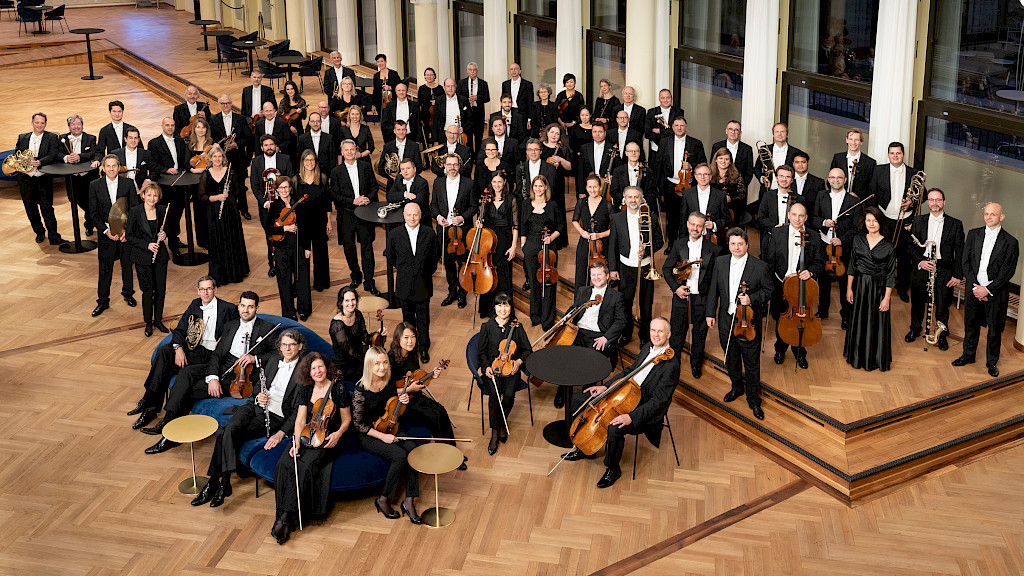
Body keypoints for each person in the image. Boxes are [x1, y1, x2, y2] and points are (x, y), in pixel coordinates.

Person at [142, 291, 277, 450]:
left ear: (257, 308)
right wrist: (212, 378)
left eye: (250, 307)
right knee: (186, 373)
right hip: (223, 365)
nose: (246, 310)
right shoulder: (231, 325)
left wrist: (255, 358)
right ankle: (167, 423)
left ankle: (170, 433)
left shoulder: (268, 328)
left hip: (240, 377)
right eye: (242, 305)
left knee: (187, 389)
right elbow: (217, 355)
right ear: (238, 306)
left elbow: (278, 355)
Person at [190, 329, 307, 508]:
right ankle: (222, 484)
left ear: (299, 347)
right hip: (254, 406)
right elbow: (259, 384)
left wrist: (281, 433)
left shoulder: (304, 373)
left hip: (274, 417)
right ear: (280, 347)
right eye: (284, 345)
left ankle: (217, 482)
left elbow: (298, 412)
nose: (287, 349)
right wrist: (259, 394)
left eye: (292, 345)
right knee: (229, 428)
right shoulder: (274, 360)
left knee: (224, 431)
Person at [560, 318, 680, 488]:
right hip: (624, 396)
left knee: (614, 427)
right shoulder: (647, 347)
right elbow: (629, 371)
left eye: (660, 331)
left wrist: (631, 417)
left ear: (668, 334)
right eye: (653, 330)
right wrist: (606, 388)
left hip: (642, 408)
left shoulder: (672, 365)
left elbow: (658, 402)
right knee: (577, 399)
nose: (656, 335)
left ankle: (612, 469)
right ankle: (585, 448)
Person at [128, 276, 238, 430]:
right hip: (194, 349)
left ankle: (156, 409)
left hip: (211, 355)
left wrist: (225, 339)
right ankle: (150, 406)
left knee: (171, 368)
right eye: (202, 289)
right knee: (164, 352)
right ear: (198, 291)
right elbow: (180, 328)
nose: (205, 293)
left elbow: (238, 330)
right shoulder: (195, 304)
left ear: (215, 290)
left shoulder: (228, 308)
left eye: (209, 289)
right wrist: (178, 348)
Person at [271, 352, 352, 544]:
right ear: (309, 371)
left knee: (306, 468)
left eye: (321, 367)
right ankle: (282, 513)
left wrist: (338, 434)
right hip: (307, 433)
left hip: (327, 437)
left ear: (327, 368)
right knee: (284, 465)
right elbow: (300, 419)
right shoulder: (306, 389)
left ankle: (286, 518)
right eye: (313, 368)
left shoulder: (338, 389)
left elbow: (347, 419)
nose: (317, 371)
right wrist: (296, 441)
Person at [705, 228, 773, 420]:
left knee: (751, 363)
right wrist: (710, 313)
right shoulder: (720, 262)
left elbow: (769, 291)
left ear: (747, 245)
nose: (736, 247)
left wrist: (751, 298)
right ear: (728, 245)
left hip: (748, 321)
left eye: (740, 244)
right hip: (726, 319)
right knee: (731, 358)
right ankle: (736, 387)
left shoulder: (760, 266)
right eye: (733, 244)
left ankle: (753, 399)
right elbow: (713, 289)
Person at [352, 347, 422, 523]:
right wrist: (383, 437)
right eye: (377, 363)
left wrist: (402, 400)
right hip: (369, 433)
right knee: (400, 455)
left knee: (413, 450)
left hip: (389, 425)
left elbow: (391, 408)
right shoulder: (361, 389)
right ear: (369, 365)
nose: (382, 367)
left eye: (384, 362)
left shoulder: (388, 382)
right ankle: (383, 499)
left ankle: (409, 501)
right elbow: (358, 424)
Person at [953, 203, 1019, 377]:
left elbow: (1007, 272)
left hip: (995, 293)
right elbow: (965, 262)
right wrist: (975, 287)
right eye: (987, 214)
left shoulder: (1011, 242)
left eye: (993, 214)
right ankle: (968, 355)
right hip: (973, 289)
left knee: (994, 330)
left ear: (1001, 217)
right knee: (970, 325)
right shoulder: (973, 234)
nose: (989, 217)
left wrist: (987, 290)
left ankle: (991, 363)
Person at [387, 322, 461, 466]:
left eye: (413, 337)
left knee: (441, 410)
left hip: (414, 395)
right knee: (433, 416)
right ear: (398, 339)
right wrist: (410, 389)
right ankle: (442, 453)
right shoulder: (389, 360)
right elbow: (387, 391)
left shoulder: (412, 354)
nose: (410, 341)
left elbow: (416, 379)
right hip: (400, 402)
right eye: (406, 337)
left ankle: (452, 451)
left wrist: (431, 376)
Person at [663, 211, 723, 378]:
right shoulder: (678, 244)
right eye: (692, 224)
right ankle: (672, 367)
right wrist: (676, 288)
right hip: (681, 297)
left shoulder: (714, 250)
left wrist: (711, 312)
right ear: (687, 225)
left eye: (699, 225)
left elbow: (714, 286)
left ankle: (696, 365)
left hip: (701, 299)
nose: (695, 228)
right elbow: (666, 269)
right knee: (676, 335)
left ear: (704, 228)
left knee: (699, 336)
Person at [766, 202, 824, 369]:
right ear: (788, 215)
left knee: (801, 320)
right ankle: (780, 349)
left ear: (805, 217)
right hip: (780, 283)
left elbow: (820, 262)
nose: (797, 219)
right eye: (794, 215)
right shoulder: (777, 233)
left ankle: (800, 352)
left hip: (802, 287)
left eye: (801, 216)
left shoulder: (813, 236)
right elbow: (770, 260)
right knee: (781, 318)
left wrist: (811, 272)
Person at [905, 188, 964, 350]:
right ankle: (915, 329)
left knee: (942, 303)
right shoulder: (918, 221)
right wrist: (920, 262)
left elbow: (960, 251)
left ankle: (941, 334)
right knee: (917, 301)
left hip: (944, 269)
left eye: (938, 200)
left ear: (944, 202)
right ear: (928, 202)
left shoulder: (955, 224)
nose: (934, 203)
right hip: (922, 267)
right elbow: (910, 246)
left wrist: (958, 275)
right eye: (931, 200)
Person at [477, 293, 532, 455]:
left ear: (511, 308)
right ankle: (495, 432)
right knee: (494, 395)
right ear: (494, 307)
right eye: (499, 305)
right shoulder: (487, 327)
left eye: (506, 305)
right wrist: (486, 366)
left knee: (508, 395)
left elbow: (528, 350)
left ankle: (501, 422)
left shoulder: (517, 327)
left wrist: (518, 362)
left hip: (511, 369)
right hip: (492, 370)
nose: (503, 309)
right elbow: (481, 352)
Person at [608, 186, 663, 346]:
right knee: (625, 302)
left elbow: (659, 241)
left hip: (645, 266)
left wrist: (646, 251)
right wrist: (612, 269)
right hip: (626, 266)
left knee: (646, 304)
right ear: (624, 199)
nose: (633, 200)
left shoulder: (650, 217)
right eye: (630, 197)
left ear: (641, 199)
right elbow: (612, 245)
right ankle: (626, 333)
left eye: (636, 197)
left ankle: (645, 335)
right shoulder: (617, 218)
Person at [385, 203, 438, 364]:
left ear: (420, 215)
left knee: (423, 320)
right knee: (407, 320)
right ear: (404, 216)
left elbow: (434, 257)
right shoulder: (395, 234)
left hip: (423, 283)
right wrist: (404, 269)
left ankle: (423, 348)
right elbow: (391, 256)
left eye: (415, 215)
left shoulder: (429, 233)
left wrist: (425, 271)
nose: (412, 218)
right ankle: (410, 348)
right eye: (409, 215)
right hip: (404, 285)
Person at [845, 207, 896, 372]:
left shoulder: (889, 246)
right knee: (859, 320)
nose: (871, 224)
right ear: (864, 222)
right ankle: (857, 356)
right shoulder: (857, 240)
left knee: (876, 322)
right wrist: (849, 289)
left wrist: (887, 298)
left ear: (880, 222)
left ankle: (872, 359)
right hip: (860, 286)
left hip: (878, 289)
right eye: (868, 220)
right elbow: (852, 266)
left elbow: (890, 274)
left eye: (875, 220)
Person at [870, 141, 922, 301]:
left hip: (905, 220)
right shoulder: (879, 170)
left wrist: (910, 202)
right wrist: (876, 217)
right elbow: (872, 193)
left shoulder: (914, 173)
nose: (895, 156)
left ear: (903, 155)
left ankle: (902, 289)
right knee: (881, 254)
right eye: (892, 153)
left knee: (905, 258)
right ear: (888, 155)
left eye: (898, 153)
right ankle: (879, 285)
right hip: (884, 219)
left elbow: (923, 194)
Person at [811, 168, 861, 329]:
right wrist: (823, 223)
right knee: (823, 279)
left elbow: (857, 228)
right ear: (828, 179)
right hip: (824, 244)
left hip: (843, 248)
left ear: (845, 180)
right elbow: (813, 218)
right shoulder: (821, 195)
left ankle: (845, 314)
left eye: (839, 177)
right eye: (832, 177)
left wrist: (842, 239)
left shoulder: (853, 201)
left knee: (845, 281)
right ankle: (823, 310)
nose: (836, 180)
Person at [89, 154, 139, 317]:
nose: (111, 169)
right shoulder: (94, 185)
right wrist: (106, 231)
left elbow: (134, 209)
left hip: (125, 233)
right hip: (106, 234)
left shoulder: (128, 183)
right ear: (103, 168)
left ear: (119, 167)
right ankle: (103, 301)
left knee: (127, 265)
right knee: (105, 268)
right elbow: (93, 213)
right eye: (108, 166)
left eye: (114, 166)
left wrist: (127, 231)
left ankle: (128, 293)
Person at [330, 139, 379, 294]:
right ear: (342, 152)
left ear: (356, 150)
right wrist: (353, 201)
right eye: (346, 150)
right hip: (347, 214)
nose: (350, 152)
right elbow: (335, 195)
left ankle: (369, 281)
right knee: (349, 248)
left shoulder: (365, 166)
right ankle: (356, 275)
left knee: (367, 248)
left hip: (365, 213)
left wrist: (368, 199)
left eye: (352, 149)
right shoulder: (336, 172)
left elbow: (374, 186)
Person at [195, 145, 249, 285]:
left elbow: (238, 191)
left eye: (220, 156)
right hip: (213, 210)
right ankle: (220, 273)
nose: (217, 159)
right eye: (215, 156)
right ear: (210, 158)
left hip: (229, 209)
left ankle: (234, 272)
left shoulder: (231, 172)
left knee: (231, 238)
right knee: (216, 240)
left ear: (223, 158)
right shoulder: (206, 174)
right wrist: (217, 197)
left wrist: (229, 197)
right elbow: (201, 197)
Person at [430, 152, 478, 309]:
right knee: (449, 262)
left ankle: (462, 293)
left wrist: (462, 218)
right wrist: (438, 217)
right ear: (444, 166)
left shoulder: (469, 183)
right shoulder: (438, 183)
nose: (452, 167)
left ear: (459, 166)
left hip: (462, 229)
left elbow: (473, 207)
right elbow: (433, 205)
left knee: (463, 262)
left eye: (455, 164)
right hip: (444, 229)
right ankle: (452, 292)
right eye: (449, 164)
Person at [520, 175, 566, 330]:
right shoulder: (526, 204)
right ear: (532, 188)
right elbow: (522, 225)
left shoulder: (552, 205)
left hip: (548, 246)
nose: (538, 189)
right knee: (533, 281)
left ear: (546, 187)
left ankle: (547, 319)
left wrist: (551, 237)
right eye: (535, 186)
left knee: (548, 282)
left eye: (541, 186)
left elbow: (561, 226)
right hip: (531, 245)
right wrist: (523, 244)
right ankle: (535, 315)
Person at [126, 182, 171, 337]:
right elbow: (130, 236)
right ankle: (148, 322)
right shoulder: (135, 211)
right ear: (143, 195)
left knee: (160, 290)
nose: (152, 198)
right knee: (147, 291)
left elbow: (170, 228)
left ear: (159, 197)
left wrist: (165, 234)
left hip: (160, 257)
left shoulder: (162, 210)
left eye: (155, 195)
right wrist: (147, 245)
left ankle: (158, 320)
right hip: (142, 257)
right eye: (149, 195)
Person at [265, 176, 313, 320]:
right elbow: (269, 229)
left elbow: (305, 228)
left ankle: (304, 309)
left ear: (291, 188)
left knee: (302, 279)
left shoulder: (299, 203)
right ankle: (289, 312)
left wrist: (307, 247)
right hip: (281, 247)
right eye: (281, 188)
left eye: (286, 187)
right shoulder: (274, 206)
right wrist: (285, 228)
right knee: (284, 281)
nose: (284, 190)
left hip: (298, 245)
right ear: (277, 190)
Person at [658, 115, 707, 250]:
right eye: (676, 125)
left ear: (686, 127)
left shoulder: (696, 143)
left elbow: (703, 162)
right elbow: (659, 165)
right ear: (672, 127)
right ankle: (672, 245)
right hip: (670, 184)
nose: (679, 128)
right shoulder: (664, 142)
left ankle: (687, 245)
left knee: (688, 216)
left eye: (682, 125)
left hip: (689, 186)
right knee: (671, 217)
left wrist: (691, 166)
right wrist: (659, 188)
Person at [15, 112, 63, 245]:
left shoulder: (52, 137)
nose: (39, 125)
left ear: (45, 124)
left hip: (43, 179)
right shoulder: (23, 137)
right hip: (26, 179)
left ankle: (54, 236)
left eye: (42, 123)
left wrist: (40, 162)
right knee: (30, 209)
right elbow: (17, 154)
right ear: (32, 123)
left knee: (47, 209)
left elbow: (53, 154)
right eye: (37, 122)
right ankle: (39, 233)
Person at [249, 135, 295, 275]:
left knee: (287, 233)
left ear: (276, 146)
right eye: (266, 145)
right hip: (267, 206)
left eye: (271, 145)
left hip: (284, 204)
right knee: (270, 235)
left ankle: (289, 263)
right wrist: (265, 203)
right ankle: (273, 264)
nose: (269, 147)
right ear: (262, 147)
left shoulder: (285, 159)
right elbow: (254, 185)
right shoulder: (256, 162)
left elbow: (291, 179)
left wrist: (286, 200)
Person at [476, 170, 519, 314]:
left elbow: (515, 225)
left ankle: (504, 310)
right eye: (494, 182)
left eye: (499, 182)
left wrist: (513, 246)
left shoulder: (511, 199)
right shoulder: (485, 200)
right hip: (488, 242)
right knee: (487, 274)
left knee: (504, 275)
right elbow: (480, 221)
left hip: (505, 240)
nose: (497, 185)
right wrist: (478, 223)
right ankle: (487, 309)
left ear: (504, 182)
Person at [147, 117, 189, 252]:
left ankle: (174, 239)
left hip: (180, 183)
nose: (170, 127)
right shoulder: (154, 143)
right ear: (162, 126)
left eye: (172, 125)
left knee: (178, 213)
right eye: (167, 125)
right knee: (167, 215)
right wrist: (166, 169)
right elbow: (153, 164)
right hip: (165, 185)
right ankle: (169, 244)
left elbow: (184, 161)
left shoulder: (180, 141)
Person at [572, 262, 627, 361]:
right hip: (577, 331)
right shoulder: (583, 291)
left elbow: (621, 321)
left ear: (607, 276)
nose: (596, 278)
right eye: (593, 275)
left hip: (598, 336)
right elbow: (574, 308)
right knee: (566, 355)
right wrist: (568, 316)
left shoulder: (616, 296)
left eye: (599, 274)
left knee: (588, 361)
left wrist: (606, 337)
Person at [295, 148, 332, 291]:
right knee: (304, 253)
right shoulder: (296, 180)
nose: (310, 163)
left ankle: (321, 282)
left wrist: (329, 221)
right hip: (302, 222)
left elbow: (327, 201)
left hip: (320, 220)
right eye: (307, 160)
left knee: (320, 252)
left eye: (312, 160)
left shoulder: (322, 178)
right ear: (302, 162)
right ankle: (302, 284)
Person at [60, 114, 101, 236]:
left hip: (88, 178)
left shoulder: (91, 138)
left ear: (82, 125)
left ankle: (89, 225)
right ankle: (94, 222)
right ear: (69, 127)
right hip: (72, 179)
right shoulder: (62, 139)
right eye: (73, 124)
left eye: (78, 124)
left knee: (92, 202)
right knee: (75, 200)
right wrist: (66, 157)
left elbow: (94, 152)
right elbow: (56, 154)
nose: (76, 127)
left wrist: (80, 156)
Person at [209, 94, 250, 212]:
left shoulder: (241, 118)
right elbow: (212, 139)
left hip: (238, 157)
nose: (225, 105)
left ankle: (244, 210)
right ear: (220, 105)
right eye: (223, 103)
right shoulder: (214, 119)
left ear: (231, 103)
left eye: (227, 103)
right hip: (221, 158)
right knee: (225, 185)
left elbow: (248, 137)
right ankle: (228, 210)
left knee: (241, 185)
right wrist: (220, 146)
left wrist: (236, 144)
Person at [571, 173, 613, 288]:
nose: (592, 190)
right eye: (589, 187)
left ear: (600, 187)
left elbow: (614, 228)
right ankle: (580, 303)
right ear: (586, 187)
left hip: (602, 245)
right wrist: (582, 232)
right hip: (584, 242)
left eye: (595, 187)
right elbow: (574, 220)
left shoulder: (607, 205)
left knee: (600, 276)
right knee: (581, 275)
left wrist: (600, 235)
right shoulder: (581, 203)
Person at [755, 165, 804, 257]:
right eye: (781, 176)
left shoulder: (800, 199)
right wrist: (774, 227)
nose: (784, 179)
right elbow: (761, 218)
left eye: (787, 177)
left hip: (793, 239)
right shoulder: (768, 196)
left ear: (792, 180)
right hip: (771, 237)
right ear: (776, 178)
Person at [330, 286, 370, 381]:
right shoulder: (337, 325)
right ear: (341, 303)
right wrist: (368, 361)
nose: (351, 303)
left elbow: (365, 337)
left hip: (358, 355)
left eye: (353, 300)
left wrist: (378, 334)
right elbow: (350, 351)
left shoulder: (358, 314)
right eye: (347, 300)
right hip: (345, 363)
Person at [683, 163, 728, 247]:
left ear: (710, 177)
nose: (702, 177)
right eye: (699, 174)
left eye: (706, 174)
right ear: (695, 176)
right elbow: (683, 220)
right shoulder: (687, 194)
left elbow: (727, 219)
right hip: (692, 238)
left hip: (713, 239)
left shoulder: (720, 195)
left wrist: (714, 225)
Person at [753, 122, 805, 193]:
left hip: (789, 192)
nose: (779, 134)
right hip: (767, 191)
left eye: (782, 132)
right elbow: (757, 169)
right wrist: (763, 179)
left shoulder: (796, 153)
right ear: (773, 135)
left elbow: (800, 173)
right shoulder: (764, 150)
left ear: (787, 134)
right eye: (777, 132)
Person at [378, 119, 423, 191]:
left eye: (403, 129)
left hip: (410, 184)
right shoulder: (388, 147)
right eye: (398, 130)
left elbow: (419, 167)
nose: (401, 132)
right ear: (394, 131)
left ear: (406, 131)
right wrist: (391, 176)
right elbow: (380, 168)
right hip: (393, 184)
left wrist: (408, 176)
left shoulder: (414, 146)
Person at [539, 123, 574, 214]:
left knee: (558, 209)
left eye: (557, 133)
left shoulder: (563, 149)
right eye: (552, 132)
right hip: (542, 182)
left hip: (558, 183)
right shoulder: (540, 147)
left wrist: (560, 159)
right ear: (547, 132)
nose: (554, 135)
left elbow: (569, 167)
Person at [830, 128, 875, 198]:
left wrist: (857, 195)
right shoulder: (838, 158)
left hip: (858, 202)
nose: (853, 143)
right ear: (846, 140)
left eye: (856, 140)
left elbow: (871, 186)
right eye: (851, 139)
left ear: (861, 142)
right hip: (838, 198)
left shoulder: (870, 162)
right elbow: (830, 179)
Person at [644, 89, 683, 168]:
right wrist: (665, 136)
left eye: (668, 98)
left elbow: (678, 131)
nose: (666, 100)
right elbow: (647, 133)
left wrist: (659, 131)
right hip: (655, 151)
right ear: (659, 99)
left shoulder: (678, 112)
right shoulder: (651, 112)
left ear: (671, 98)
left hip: (672, 150)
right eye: (663, 98)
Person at [457, 62, 490, 155]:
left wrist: (477, 98)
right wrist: (467, 102)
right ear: (467, 71)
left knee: (479, 136)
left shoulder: (483, 83)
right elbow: (459, 97)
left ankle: (478, 156)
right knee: (468, 137)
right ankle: (470, 155)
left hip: (478, 113)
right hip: (466, 113)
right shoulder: (461, 83)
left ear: (477, 71)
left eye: (474, 70)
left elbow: (487, 98)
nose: (472, 72)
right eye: (470, 70)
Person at [575, 122, 614, 199]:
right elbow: (581, 171)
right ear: (592, 133)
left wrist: (612, 176)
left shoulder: (613, 148)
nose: (597, 134)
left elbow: (617, 168)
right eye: (595, 132)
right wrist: (581, 191)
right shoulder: (585, 148)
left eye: (600, 132)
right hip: (589, 187)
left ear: (605, 133)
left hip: (606, 187)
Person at [609, 141, 653, 209]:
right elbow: (613, 191)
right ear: (626, 153)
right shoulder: (618, 170)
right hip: (623, 207)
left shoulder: (648, 171)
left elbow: (653, 191)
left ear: (639, 153)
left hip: (642, 207)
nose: (633, 153)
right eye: (630, 151)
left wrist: (642, 200)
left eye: (636, 151)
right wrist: (625, 200)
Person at [709, 148, 746, 226]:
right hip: (714, 209)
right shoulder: (709, 174)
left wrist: (731, 199)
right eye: (721, 158)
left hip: (732, 209)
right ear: (716, 160)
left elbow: (742, 194)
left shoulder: (737, 175)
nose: (723, 161)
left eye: (726, 159)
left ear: (730, 161)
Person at [711, 120, 754, 186]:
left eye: (736, 130)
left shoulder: (747, 149)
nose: (733, 132)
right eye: (730, 129)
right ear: (726, 131)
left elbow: (749, 172)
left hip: (739, 189)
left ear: (740, 133)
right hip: (718, 187)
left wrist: (741, 186)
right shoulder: (717, 146)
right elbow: (713, 166)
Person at [515, 139, 558, 205]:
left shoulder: (550, 168)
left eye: (536, 149)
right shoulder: (520, 168)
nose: (533, 152)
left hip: (545, 205)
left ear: (540, 151)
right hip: (526, 206)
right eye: (530, 150)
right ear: (527, 152)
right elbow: (519, 191)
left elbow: (551, 190)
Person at [435, 77, 474, 145]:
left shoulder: (463, 99)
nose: (450, 88)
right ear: (444, 87)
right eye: (448, 86)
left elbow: (470, 118)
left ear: (455, 87)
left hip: (459, 135)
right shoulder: (439, 100)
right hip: (444, 135)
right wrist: (435, 140)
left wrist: (463, 128)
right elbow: (435, 121)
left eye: (452, 86)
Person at [279, 80, 307, 164]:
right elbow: (279, 117)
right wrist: (289, 126)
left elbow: (304, 117)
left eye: (292, 89)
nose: (290, 91)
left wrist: (300, 112)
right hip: (286, 128)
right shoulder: (283, 101)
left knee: (298, 149)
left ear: (295, 89)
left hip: (298, 128)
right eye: (287, 89)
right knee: (288, 149)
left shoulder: (301, 101)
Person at [417, 67, 445, 144]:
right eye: (427, 75)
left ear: (434, 76)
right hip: (425, 117)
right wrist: (420, 118)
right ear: (425, 77)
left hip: (437, 117)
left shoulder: (440, 88)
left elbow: (443, 102)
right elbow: (419, 104)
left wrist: (436, 103)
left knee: (437, 138)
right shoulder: (422, 88)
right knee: (425, 138)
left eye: (431, 75)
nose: (429, 77)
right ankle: (427, 156)